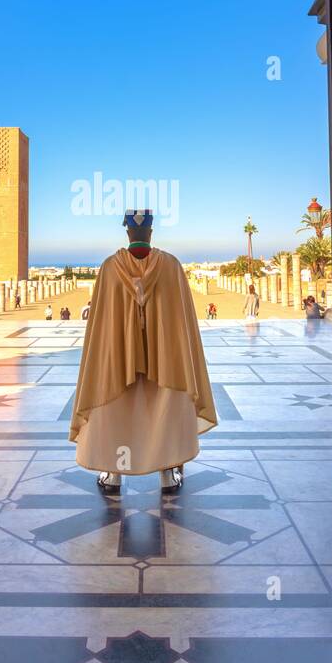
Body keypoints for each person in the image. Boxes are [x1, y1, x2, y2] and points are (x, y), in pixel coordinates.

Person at [70, 209, 217, 495]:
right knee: (165, 411)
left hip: (117, 362)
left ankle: (113, 474)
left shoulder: (110, 267)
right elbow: (180, 320)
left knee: (115, 411)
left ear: (128, 232)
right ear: (151, 232)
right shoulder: (171, 266)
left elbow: (101, 324)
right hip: (166, 360)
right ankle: (167, 474)